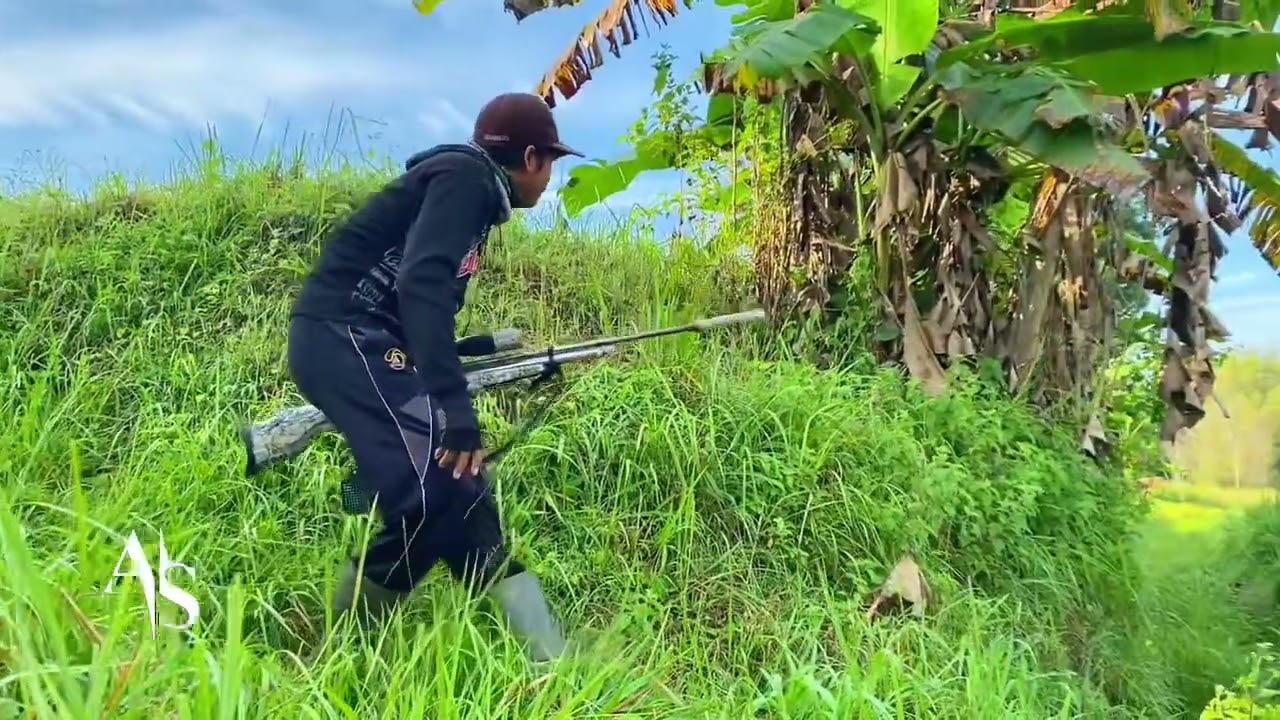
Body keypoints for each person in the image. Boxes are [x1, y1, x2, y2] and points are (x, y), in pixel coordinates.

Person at [286, 92, 583, 663]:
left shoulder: (462, 187)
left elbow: (420, 299)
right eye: (550, 164)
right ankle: (339, 656)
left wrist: (451, 356)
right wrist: (456, 410)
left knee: (452, 492)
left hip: (367, 342)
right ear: (529, 157)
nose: (547, 181)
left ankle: (551, 664)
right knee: (437, 482)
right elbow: (419, 285)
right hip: (343, 336)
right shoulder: (467, 179)